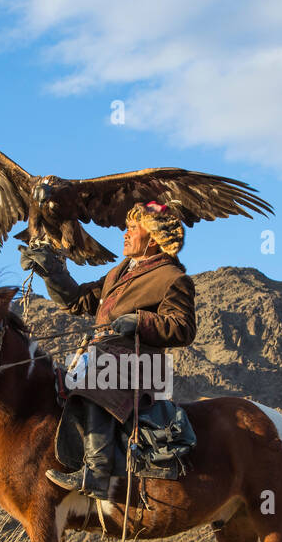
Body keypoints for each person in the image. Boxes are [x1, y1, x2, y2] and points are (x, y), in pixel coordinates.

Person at [20, 201, 197, 500]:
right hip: (105, 358)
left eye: (132, 229)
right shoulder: (118, 274)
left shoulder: (172, 279)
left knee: (98, 376)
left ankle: (98, 472)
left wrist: (140, 321)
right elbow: (79, 300)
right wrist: (50, 270)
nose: (125, 235)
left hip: (140, 366)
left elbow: (184, 328)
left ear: (153, 238)